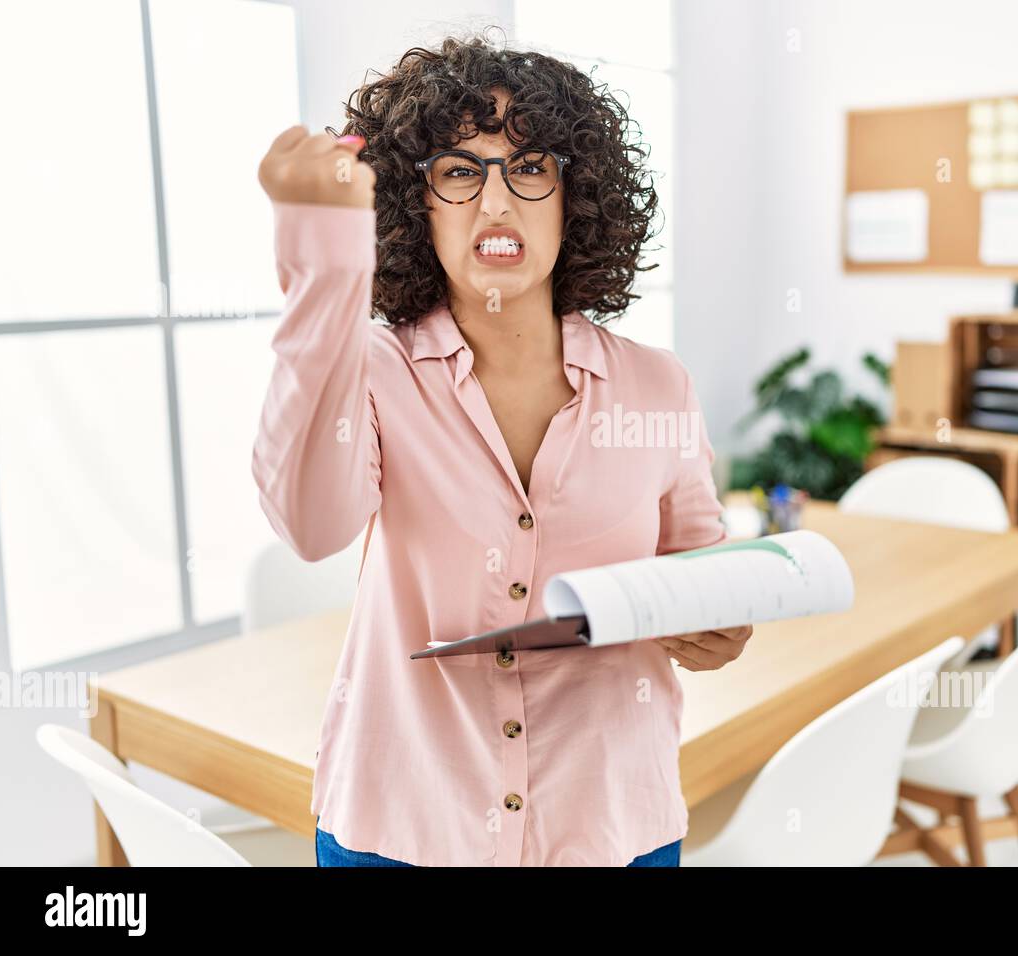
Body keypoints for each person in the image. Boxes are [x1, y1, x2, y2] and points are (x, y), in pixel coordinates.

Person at [252, 33, 753, 867]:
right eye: (458, 170)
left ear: (574, 195)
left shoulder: (659, 387)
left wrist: (719, 626)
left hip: (609, 827)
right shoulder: (373, 371)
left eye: (529, 168)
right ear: (418, 207)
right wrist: (327, 270)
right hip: (402, 827)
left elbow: (698, 570)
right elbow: (310, 525)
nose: (496, 203)